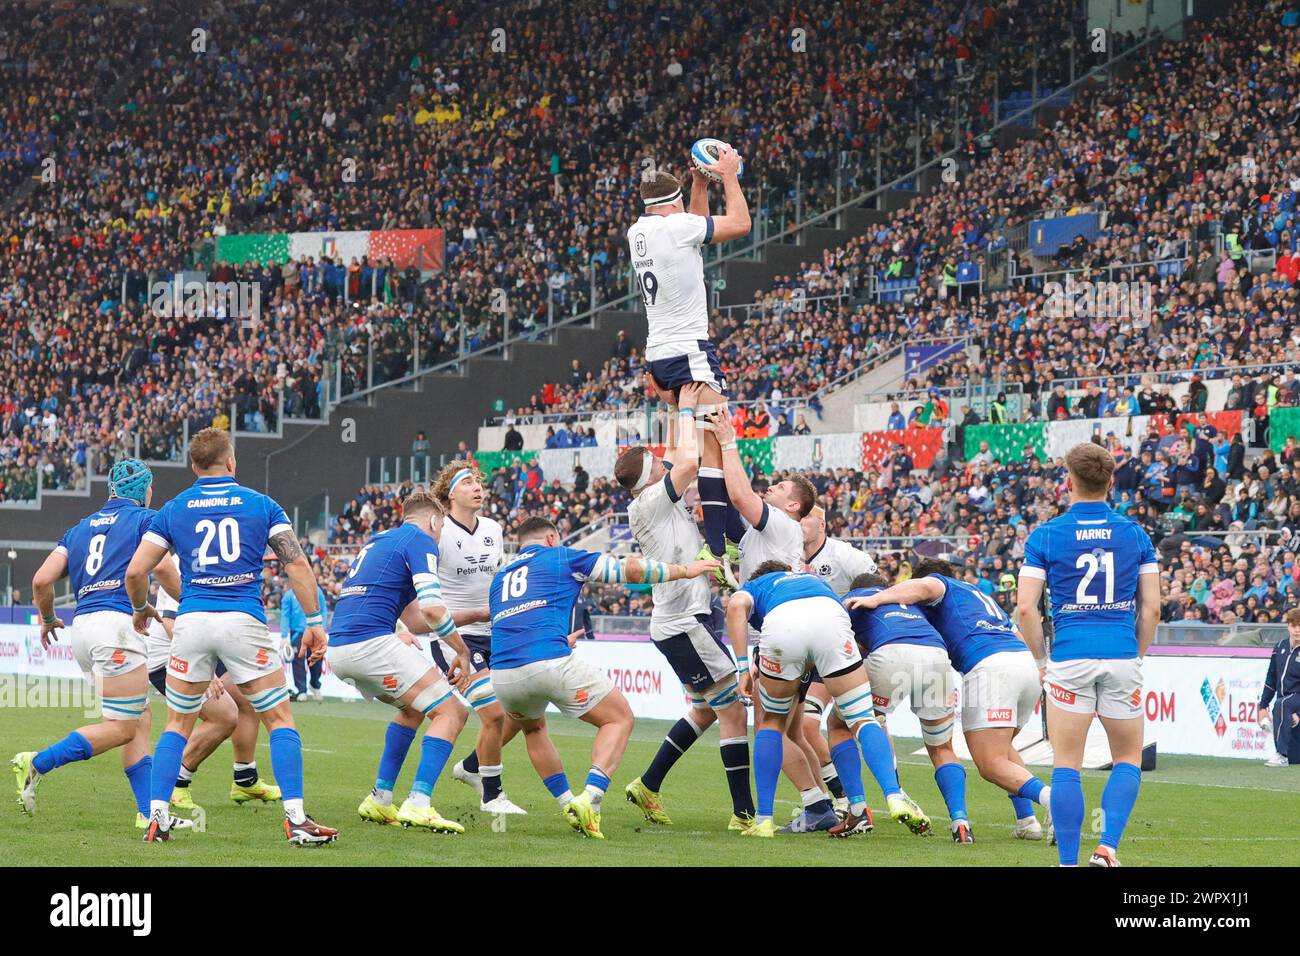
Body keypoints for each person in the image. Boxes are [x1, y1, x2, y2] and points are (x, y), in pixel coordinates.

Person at [125, 428, 337, 845]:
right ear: (232, 462)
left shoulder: (174, 508)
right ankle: (295, 820)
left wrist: (139, 609)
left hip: (191, 622)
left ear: (193, 466)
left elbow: (136, 571)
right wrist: (314, 620)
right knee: (279, 717)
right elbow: (296, 565)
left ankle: (157, 818)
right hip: (242, 619)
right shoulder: (262, 505)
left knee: (177, 724)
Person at [488, 516, 718, 839]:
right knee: (619, 718)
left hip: (502, 674)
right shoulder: (562, 556)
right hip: (548, 661)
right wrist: (684, 570)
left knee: (534, 728)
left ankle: (568, 804)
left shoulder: (500, 576)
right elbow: (631, 571)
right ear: (552, 537)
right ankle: (591, 799)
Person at [12, 460, 183, 829]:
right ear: (143, 489)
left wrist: (46, 619)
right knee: (122, 725)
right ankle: (38, 762)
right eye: (150, 486)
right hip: (116, 629)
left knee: (139, 718)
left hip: (82, 629)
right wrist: (190, 602)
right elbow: (165, 570)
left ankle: (147, 812)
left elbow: (42, 581)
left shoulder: (78, 529)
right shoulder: (144, 520)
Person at [1015, 442, 1161, 867]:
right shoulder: (1135, 533)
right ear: (1111, 482)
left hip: (1070, 655)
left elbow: (1027, 608)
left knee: (1066, 764)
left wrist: (1042, 660)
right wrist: (1137, 652)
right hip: (1120, 653)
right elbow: (1151, 607)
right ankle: (1107, 848)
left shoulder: (1046, 535)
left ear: (1068, 482)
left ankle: (1068, 863)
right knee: (1128, 757)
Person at [616, 384, 754, 830]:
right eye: (658, 464)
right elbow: (689, 461)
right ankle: (744, 814)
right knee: (732, 710)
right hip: (683, 621)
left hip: (679, 619)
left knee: (705, 709)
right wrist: (691, 409)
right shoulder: (651, 501)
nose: (665, 463)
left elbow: (679, 457)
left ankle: (648, 784)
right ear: (648, 478)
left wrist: (677, 408)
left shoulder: (655, 498)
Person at [850, 557, 1051, 844]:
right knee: (1002, 748)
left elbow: (926, 585)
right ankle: (1027, 820)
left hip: (990, 667)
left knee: (990, 763)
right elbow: (1016, 633)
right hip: (1023, 663)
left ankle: (1051, 799)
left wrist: (879, 598)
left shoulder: (939, 584)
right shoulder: (979, 595)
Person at [727, 562, 929, 839]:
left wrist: (741, 668)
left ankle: (763, 819)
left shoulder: (756, 587)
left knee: (771, 724)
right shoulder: (814, 582)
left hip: (782, 627)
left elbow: (736, 607)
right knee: (862, 718)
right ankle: (894, 795)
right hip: (831, 620)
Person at [709, 407, 835, 832]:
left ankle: (815, 802)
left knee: (770, 727)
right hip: (800, 631)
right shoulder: (766, 533)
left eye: (779, 487)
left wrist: (727, 440)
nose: (771, 488)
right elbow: (730, 501)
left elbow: (741, 497)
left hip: (777, 636)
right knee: (795, 732)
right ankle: (825, 805)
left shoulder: (782, 524)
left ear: (793, 504)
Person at [628, 145, 750, 584]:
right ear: (675, 204)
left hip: (659, 353)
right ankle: (720, 549)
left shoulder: (639, 231)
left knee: (703, 446)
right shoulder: (677, 227)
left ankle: (729, 536)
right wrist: (729, 176)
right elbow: (740, 224)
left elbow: (692, 227)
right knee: (715, 445)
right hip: (689, 351)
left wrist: (700, 183)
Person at [329, 488, 474, 833]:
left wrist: (479, 614)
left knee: (412, 709)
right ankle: (419, 803)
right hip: (370, 644)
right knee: (453, 710)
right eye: (442, 530)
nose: (440, 539)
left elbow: (417, 622)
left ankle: (380, 799)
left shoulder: (382, 541)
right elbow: (433, 609)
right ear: (435, 520)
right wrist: (462, 650)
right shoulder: (420, 540)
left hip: (342, 648)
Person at [428, 460, 527, 816]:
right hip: (456, 640)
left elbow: (499, 579)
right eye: (467, 482)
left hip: (496, 633)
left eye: (478, 481)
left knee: (523, 709)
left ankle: (472, 766)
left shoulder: (493, 528)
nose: (477, 487)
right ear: (451, 493)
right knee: (494, 712)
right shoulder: (438, 532)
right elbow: (422, 597)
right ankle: (492, 795)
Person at [146, 554, 280, 817]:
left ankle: (245, 779)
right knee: (225, 717)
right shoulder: (184, 558)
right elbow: (171, 621)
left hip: (207, 649)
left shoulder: (219, 553)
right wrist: (203, 670)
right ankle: (176, 783)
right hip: (172, 657)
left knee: (250, 696)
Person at [799, 504, 877, 814]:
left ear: (821, 524)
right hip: (805, 651)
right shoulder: (788, 554)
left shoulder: (844, 555)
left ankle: (856, 798)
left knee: (812, 721)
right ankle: (843, 799)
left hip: (840, 650)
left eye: (805, 518)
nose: (799, 524)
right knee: (801, 727)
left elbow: (876, 585)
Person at [1258, 607, 1300, 766]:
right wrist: (1263, 705)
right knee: (1296, 759)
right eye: (1294, 625)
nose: (1297, 630)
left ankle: (1280, 755)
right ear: (1288, 626)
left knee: (1281, 704)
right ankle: (1286, 754)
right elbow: (1271, 678)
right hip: (1284, 703)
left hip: (1296, 699)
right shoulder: (1280, 647)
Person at [281, 567, 327, 701]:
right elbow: (285, 616)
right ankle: (301, 690)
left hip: (314, 632)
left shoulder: (316, 591)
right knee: (298, 662)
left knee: (316, 660)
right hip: (297, 633)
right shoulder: (289, 595)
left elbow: (323, 610)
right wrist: (284, 636)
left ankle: (315, 684)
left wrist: (321, 628)